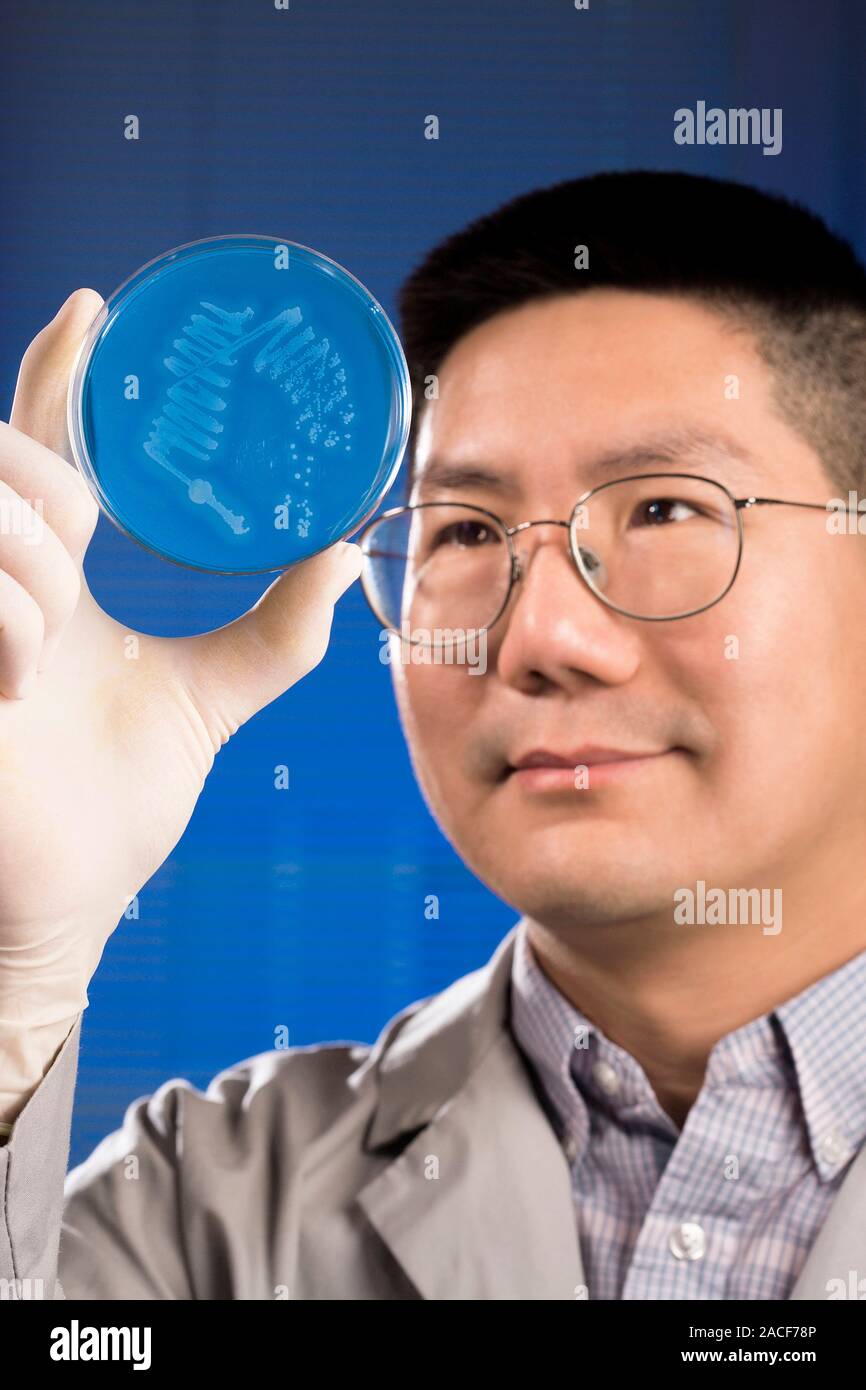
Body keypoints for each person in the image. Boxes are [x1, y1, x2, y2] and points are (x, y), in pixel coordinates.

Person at [2, 169, 866, 1302]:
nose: (539, 634)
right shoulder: (198, 1212)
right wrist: (12, 1001)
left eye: (663, 509)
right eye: (462, 528)